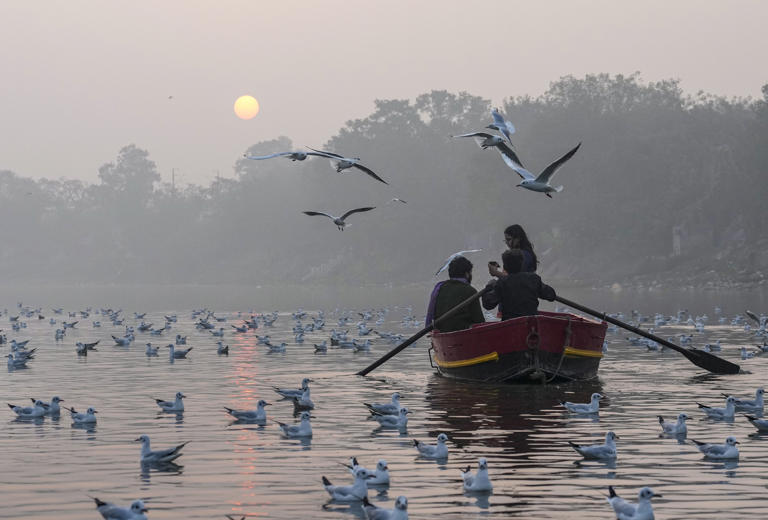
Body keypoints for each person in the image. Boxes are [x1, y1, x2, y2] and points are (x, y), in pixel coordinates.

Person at [482, 249, 556, 321]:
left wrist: (489, 286)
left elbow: (488, 304)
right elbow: (551, 295)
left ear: (505, 266)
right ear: (522, 263)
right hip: (532, 324)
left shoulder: (501, 283)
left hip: (510, 326)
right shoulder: (534, 279)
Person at [425, 256, 485, 333]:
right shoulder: (470, 291)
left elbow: (429, 317)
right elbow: (479, 321)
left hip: (442, 332)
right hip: (463, 334)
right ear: (467, 274)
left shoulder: (439, 287)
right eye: (470, 272)